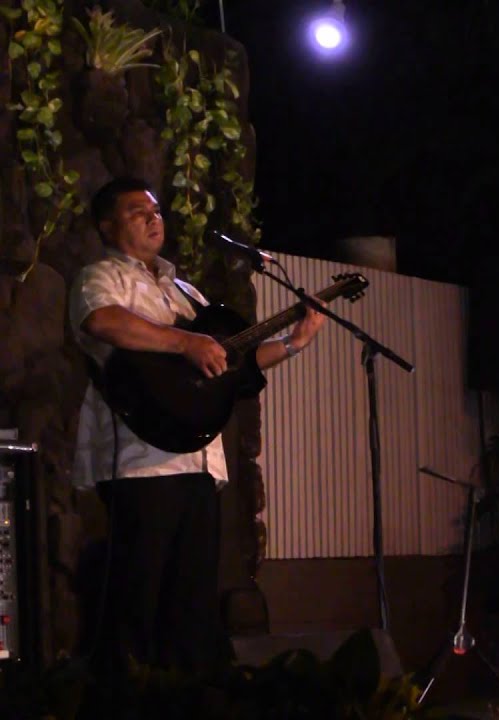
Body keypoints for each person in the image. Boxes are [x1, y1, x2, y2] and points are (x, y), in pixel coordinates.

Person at [69, 177, 326, 676]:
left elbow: (232, 365)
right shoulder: (100, 277)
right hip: (140, 462)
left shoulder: (185, 291)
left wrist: (296, 341)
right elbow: (102, 322)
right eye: (137, 211)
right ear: (107, 226)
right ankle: (123, 697)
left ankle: (187, 696)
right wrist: (185, 343)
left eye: (156, 210)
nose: (153, 218)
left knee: (191, 606)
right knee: (137, 603)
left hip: (198, 460)